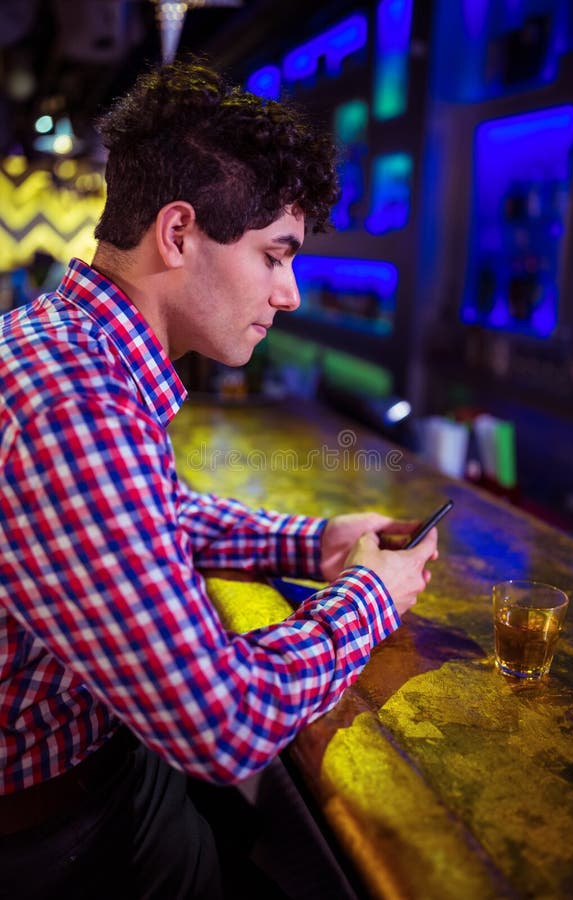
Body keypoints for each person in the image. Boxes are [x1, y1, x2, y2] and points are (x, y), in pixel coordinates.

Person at [0, 60, 438, 899]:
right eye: (276, 255)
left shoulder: (68, 347)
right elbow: (221, 724)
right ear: (178, 233)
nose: (292, 294)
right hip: (58, 836)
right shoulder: (72, 404)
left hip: (103, 764)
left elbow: (147, 514)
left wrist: (314, 542)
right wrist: (372, 597)